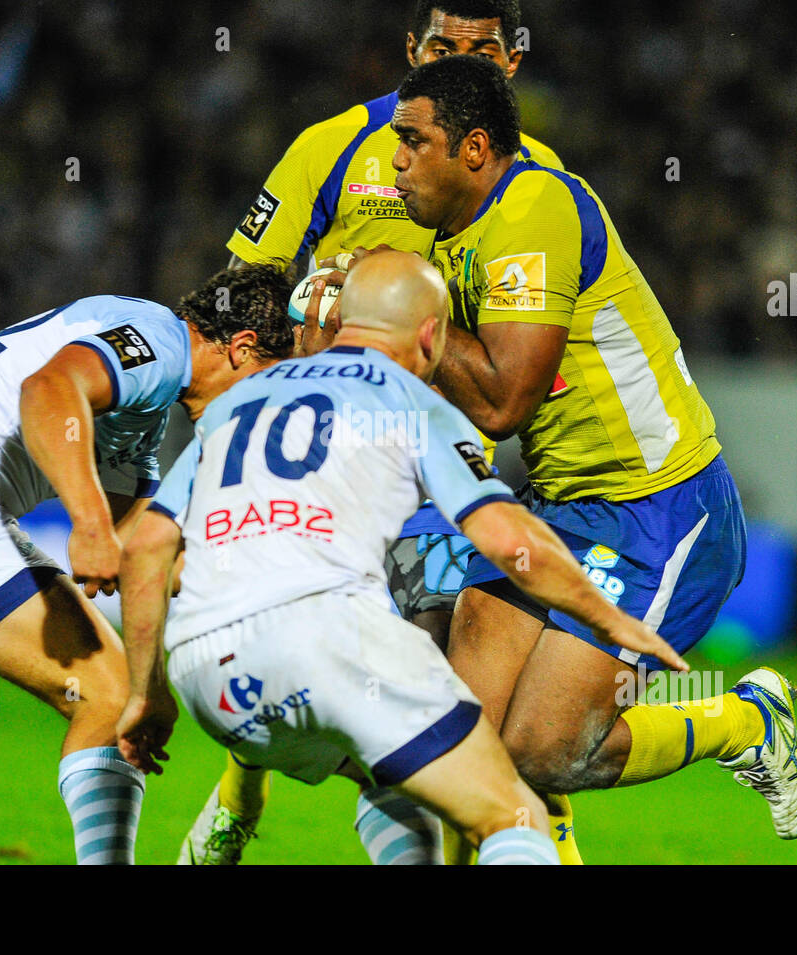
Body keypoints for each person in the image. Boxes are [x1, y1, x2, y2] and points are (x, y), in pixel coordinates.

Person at [115, 251, 686, 865]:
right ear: (430, 334)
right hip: (323, 642)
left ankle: (233, 815)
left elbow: (147, 546)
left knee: (392, 779)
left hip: (210, 681)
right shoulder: (412, 402)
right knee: (512, 814)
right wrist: (606, 617)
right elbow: (506, 537)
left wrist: (146, 695)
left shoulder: (236, 403)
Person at [384, 55, 797, 857]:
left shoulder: (532, 212)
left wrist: (399, 312)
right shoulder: (446, 243)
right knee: (461, 749)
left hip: (660, 508)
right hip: (558, 507)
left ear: (473, 149)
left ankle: (743, 720)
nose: (396, 159)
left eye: (413, 140)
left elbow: (506, 400)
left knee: (544, 749)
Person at [192, 0, 576, 866]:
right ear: (412, 52)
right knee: (318, 645)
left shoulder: (536, 178)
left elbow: (522, 353)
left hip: (436, 455)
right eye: (445, 48)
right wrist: (309, 330)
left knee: (446, 685)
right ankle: (241, 785)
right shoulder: (332, 144)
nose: (464, 62)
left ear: (512, 63)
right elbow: (236, 294)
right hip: (327, 461)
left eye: (483, 51)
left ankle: (502, 831)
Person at [0, 265, 295, 864]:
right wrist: (90, 522)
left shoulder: (142, 406)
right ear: (241, 348)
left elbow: (144, 553)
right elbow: (48, 391)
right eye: (273, 383)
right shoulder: (156, 340)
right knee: (105, 697)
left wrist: (159, 680)